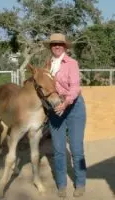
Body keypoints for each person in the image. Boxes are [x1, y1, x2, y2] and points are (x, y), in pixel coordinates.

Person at [43, 33, 87, 198]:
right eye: (54, 43)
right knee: (59, 150)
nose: (57, 46)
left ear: (65, 46)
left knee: (77, 150)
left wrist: (66, 103)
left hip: (74, 107)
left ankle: (80, 182)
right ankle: (61, 184)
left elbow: (75, 87)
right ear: (50, 46)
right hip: (55, 108)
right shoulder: (47, 66)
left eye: (60, 44)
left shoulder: (72, 63)